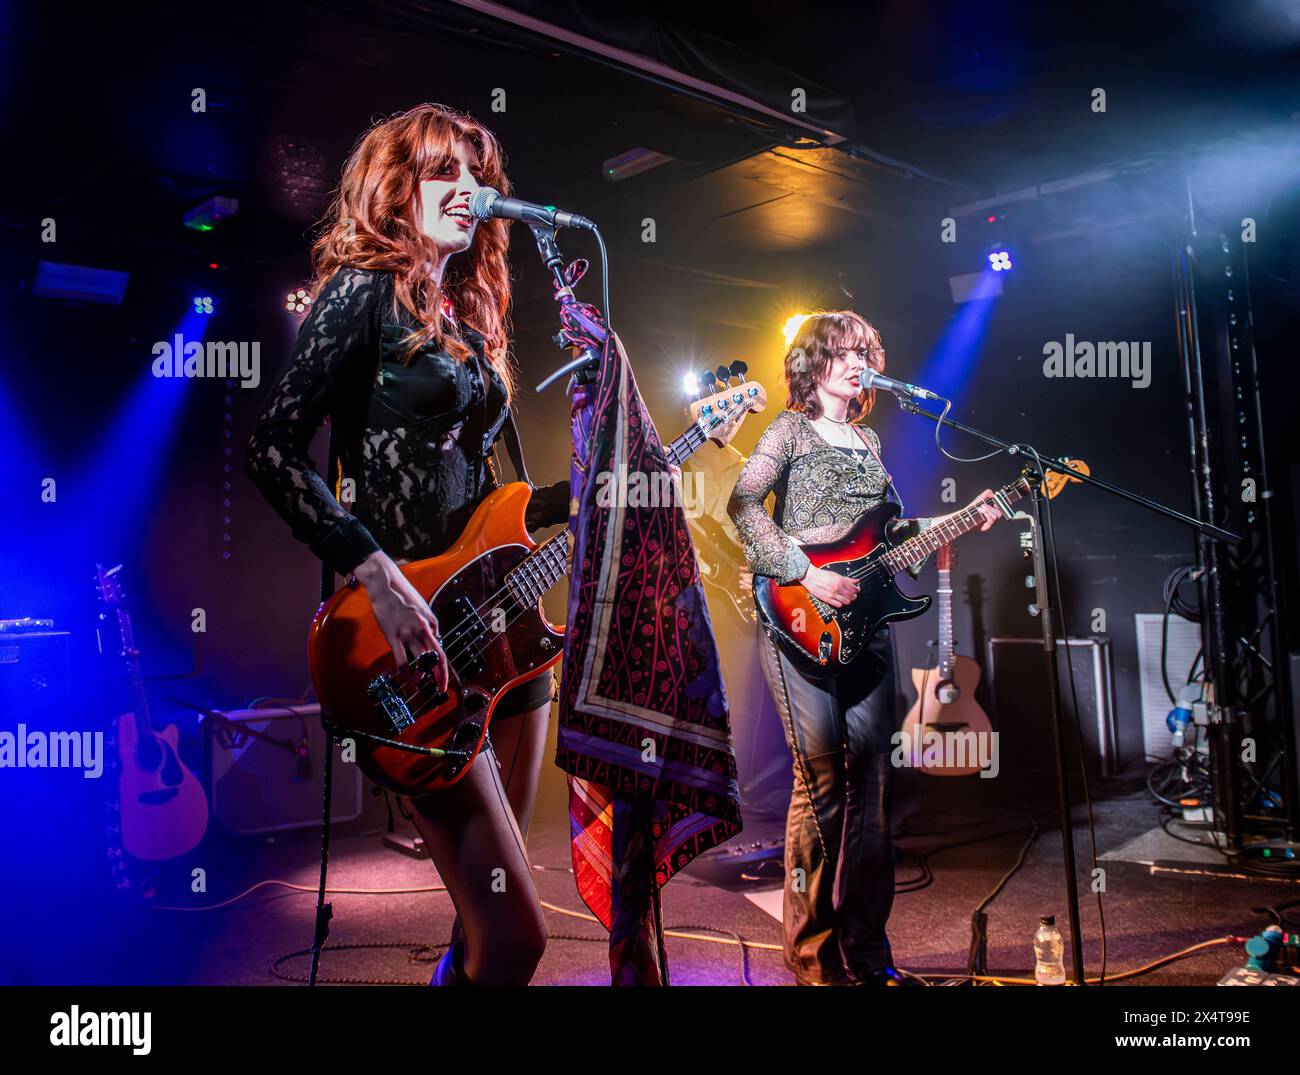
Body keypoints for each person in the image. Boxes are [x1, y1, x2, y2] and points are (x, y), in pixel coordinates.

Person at [245, 103, 569, 986]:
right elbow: (270, 446)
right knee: (516, 940)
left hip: (506, 640)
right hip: (411, 649)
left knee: (481, 926)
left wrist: (605, 488)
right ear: (398, 186)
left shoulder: (470, 316)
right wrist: (374, 569)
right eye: (446, 174)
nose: (472, 192)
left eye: (480, 177)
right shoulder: (361, 292)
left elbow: (505, 501)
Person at [727, 310, 1000, 986]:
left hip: (867, 633)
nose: (858, 362)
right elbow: (742, 503)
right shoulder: (788, 429)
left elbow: (895, 530)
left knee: (876, 784)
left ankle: (869, 954)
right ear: (814, 364)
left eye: (865, 352)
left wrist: (964, 516)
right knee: (820, 780)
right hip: (797, 619)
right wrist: (803, 569)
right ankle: (812, 958)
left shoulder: (868, 441)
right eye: (844, 352)